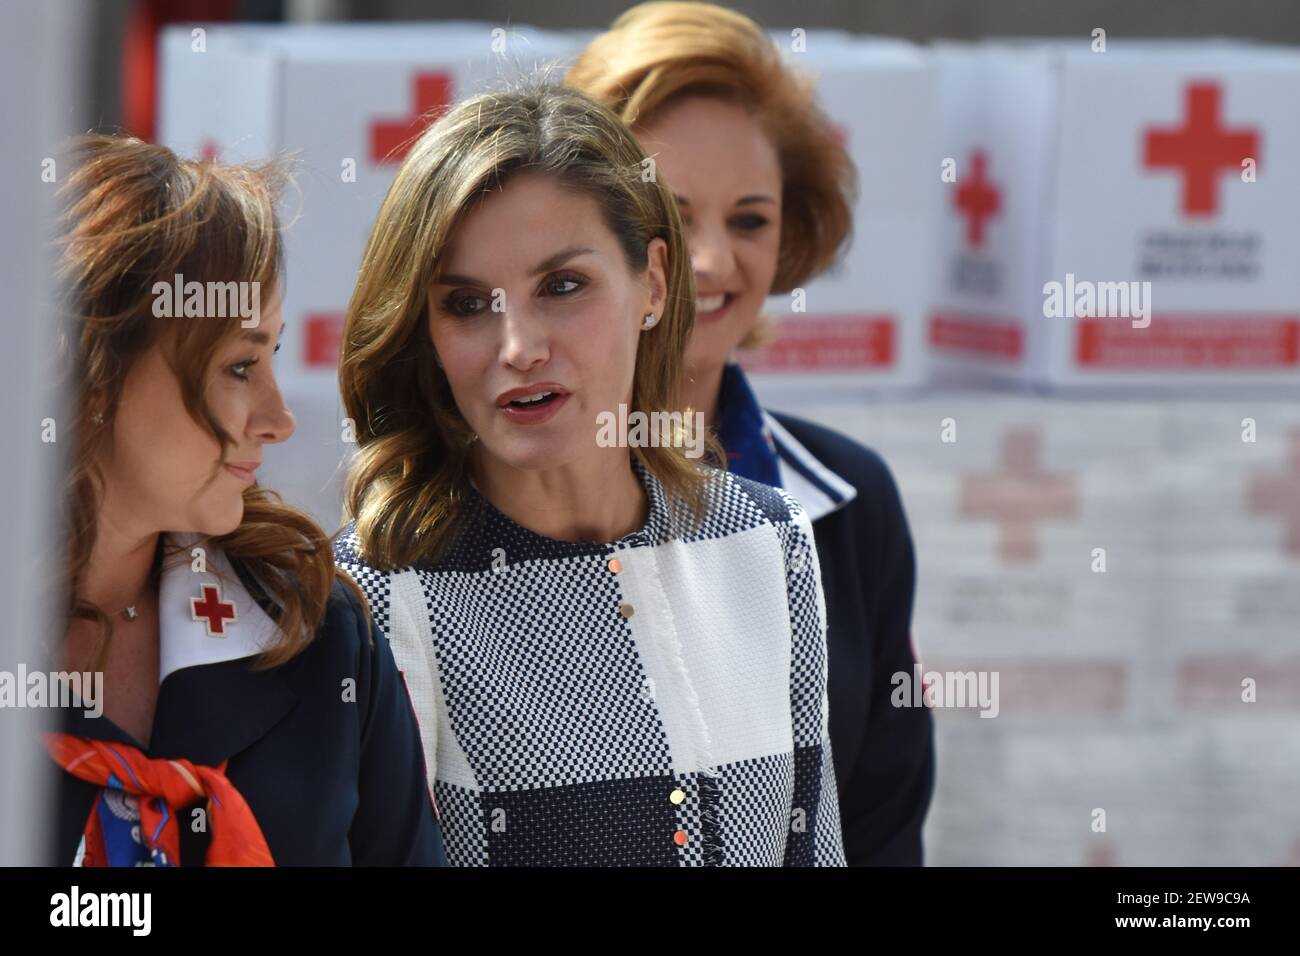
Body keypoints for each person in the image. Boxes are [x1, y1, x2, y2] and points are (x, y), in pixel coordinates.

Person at [334, 83, 845, 866]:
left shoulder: (769, 541)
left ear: (654, 283)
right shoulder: (377, 594)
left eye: (562, 286)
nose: (519, 346)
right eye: (468, 305)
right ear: (424, 333)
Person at [567, 0, 935, 865]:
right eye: (671, 215)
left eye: (750, 220)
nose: (711, 263)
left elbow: (884, 825)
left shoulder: (852, 502)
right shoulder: (491, 492)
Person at [45, 135, 445, 866]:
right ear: (94, 377)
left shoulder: (316, 629)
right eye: (238, 366)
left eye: (273, 359)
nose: (279, 418)